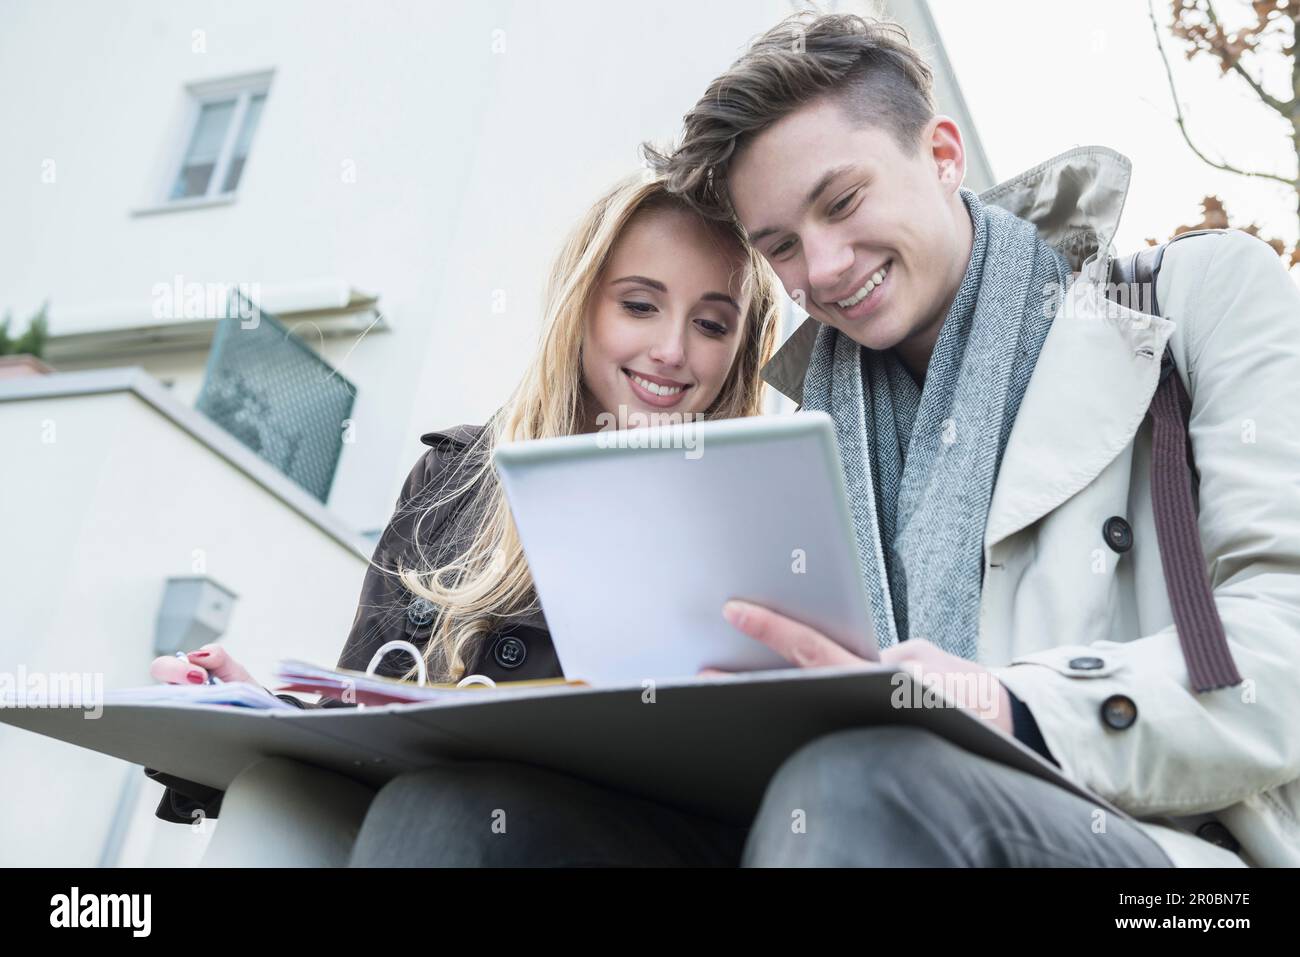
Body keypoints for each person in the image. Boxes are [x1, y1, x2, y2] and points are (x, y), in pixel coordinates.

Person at [634, 11, 1300, 867]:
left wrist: (1012, 707)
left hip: (1173, 873)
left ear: (944, 154)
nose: (826, 267)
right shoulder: (794, 447)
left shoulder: (1200, 297)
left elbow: (1286, 639)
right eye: (783, 247)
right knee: (464, 806)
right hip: (851, 821)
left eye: (842, 202)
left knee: (857, 782)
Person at [142, 171, 780, 836]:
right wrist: (249, 710)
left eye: (710, 323)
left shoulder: (744, 527)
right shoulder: (452, 478)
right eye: (640, 305)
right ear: (581, 306)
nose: (672, 350)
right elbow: (361, 713)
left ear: (739, 348)